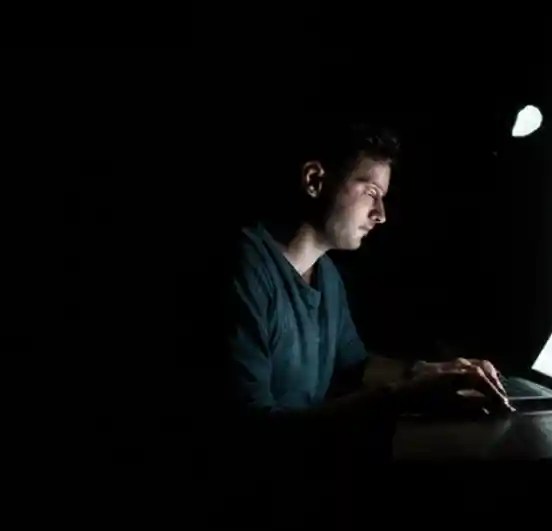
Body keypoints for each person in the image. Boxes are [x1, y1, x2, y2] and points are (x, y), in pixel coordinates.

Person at [220, 121, 513, 444]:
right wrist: (401, 395)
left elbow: (354, 368)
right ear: (315, 180)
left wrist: (435, 373)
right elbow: (251, 432)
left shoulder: (327, 275)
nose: (380, 214)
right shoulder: (244, 271)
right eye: (371, 192)